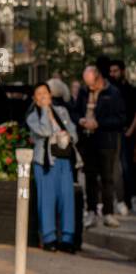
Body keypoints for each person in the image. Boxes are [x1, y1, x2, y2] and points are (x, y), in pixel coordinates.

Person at [72, 64, 127, 228]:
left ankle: (108, 212)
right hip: (88, 140)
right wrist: (80, 120)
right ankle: (91, 211)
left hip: (106, 140)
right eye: (87, 84)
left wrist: (99, 123)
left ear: (99, 78)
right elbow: (74, 112)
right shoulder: (83, 92)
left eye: (92, 83)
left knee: (107, 178)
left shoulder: (113, 93)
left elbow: (121, 119)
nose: (90, 87)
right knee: (90, 177)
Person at [26, 82, 78, 252]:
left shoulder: (62, 111)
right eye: (39, 94)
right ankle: (49, 238)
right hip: (45, 161)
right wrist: (45, 112)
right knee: (46, 200)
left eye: (45, 93)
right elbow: (45, 131)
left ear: (50, 95)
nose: (43, 96)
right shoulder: (32, 116)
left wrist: (67, 136)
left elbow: (74, 133)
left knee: (67, 198)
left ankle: (68, 238)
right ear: (35, 99)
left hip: (64, 159)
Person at [108, 58, 136, 213]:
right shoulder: (110, 90)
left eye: (115, 71)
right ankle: (122, 199)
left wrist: (130, 131)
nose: (113, 74)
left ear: (122, 71)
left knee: (127, 167)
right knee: (115, 168)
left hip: (127, 133)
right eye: (111, 71)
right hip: (114, 133)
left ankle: (130, 198)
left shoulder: (130, 90)